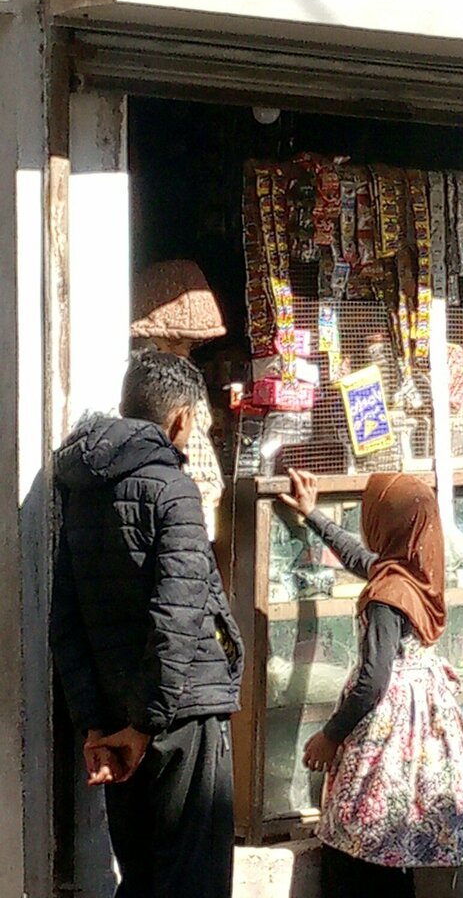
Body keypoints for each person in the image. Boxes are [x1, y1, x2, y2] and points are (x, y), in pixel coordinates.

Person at [50, 350, 244, 898]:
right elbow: (178, 614)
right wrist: (145, 723)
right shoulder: (172, 489)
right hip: (179, 715)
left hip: (116, 718)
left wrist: (97, 723)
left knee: (141, 876)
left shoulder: (82, 492)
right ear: (180, 419)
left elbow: (66, 621)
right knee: (193, 878)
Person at [279, 468, 463, 898]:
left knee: (359, 823)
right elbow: (364, 561)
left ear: (386, 524)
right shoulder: (415, 574)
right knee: (399, 828)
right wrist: (315, 517)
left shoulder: (387, 596)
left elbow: (371, 680)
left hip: (388, 724)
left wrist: (330, 735)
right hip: (422, 722)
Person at [130, 258, 227, 540]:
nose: (182, 354)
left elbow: (199, 437)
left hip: (193, 504)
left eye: (188, 345)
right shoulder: (141, 380)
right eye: (172, 343)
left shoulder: (189, 376)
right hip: (172, 508)